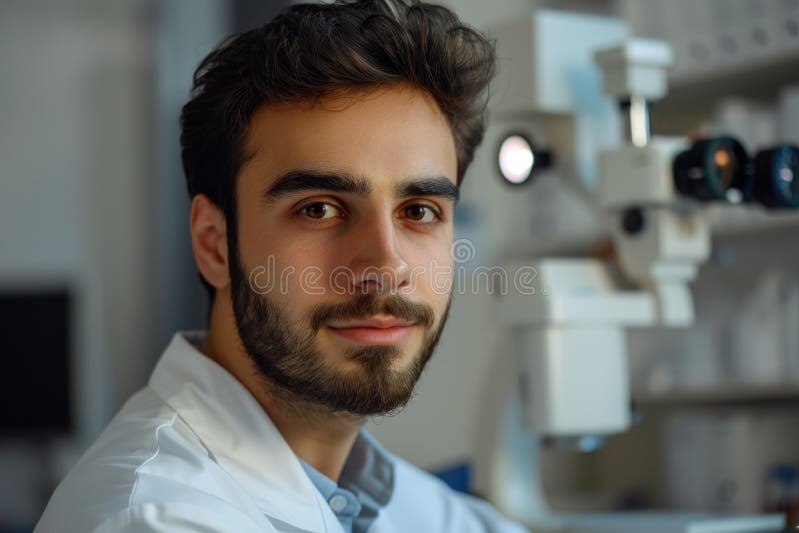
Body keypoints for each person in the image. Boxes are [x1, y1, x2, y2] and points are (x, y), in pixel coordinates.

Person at [36, 0, 529, 531]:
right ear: (214, 243)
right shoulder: (156, 517)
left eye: (419, 211)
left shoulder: (376, 492)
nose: (387, 267)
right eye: (319, 209)